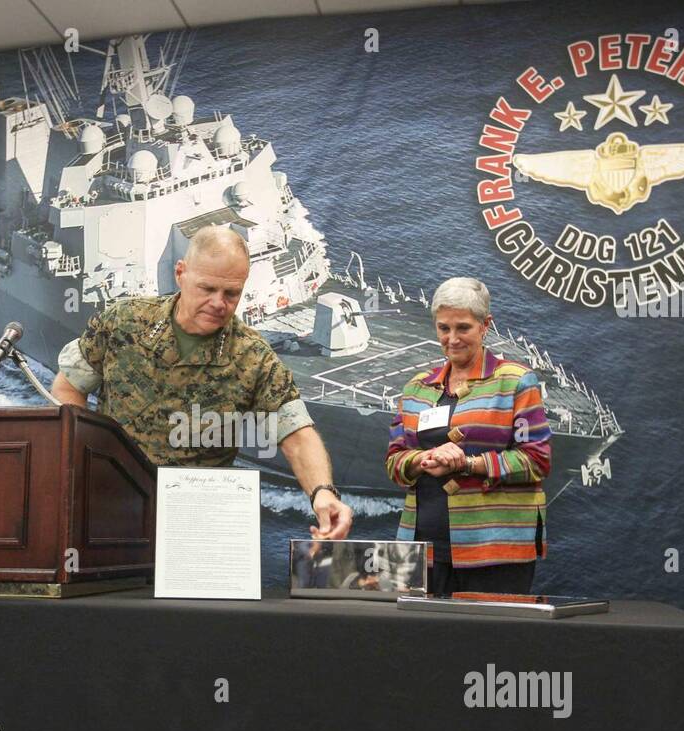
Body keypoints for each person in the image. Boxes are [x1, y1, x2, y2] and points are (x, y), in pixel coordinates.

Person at [52, 225, 353, 540]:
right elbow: (69, 387)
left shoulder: (253, 358)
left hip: (196, 526)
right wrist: (85, 461)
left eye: (231, 293)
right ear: (181, 273)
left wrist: (323, 493)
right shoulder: (122, 322)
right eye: (207, 289)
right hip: (111, 510)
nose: (218, 303)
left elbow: (297, 435)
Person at [385, 277, 550, 595]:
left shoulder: (516, 382)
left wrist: (467, 464)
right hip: (420, 551)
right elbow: (394, 461)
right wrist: (423, 458)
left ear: (486, 325)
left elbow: (537, 461)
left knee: (490, 644)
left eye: (463, 328)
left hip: (494, 552)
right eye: (443, 328)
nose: (452, 339)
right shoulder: (416, 386)